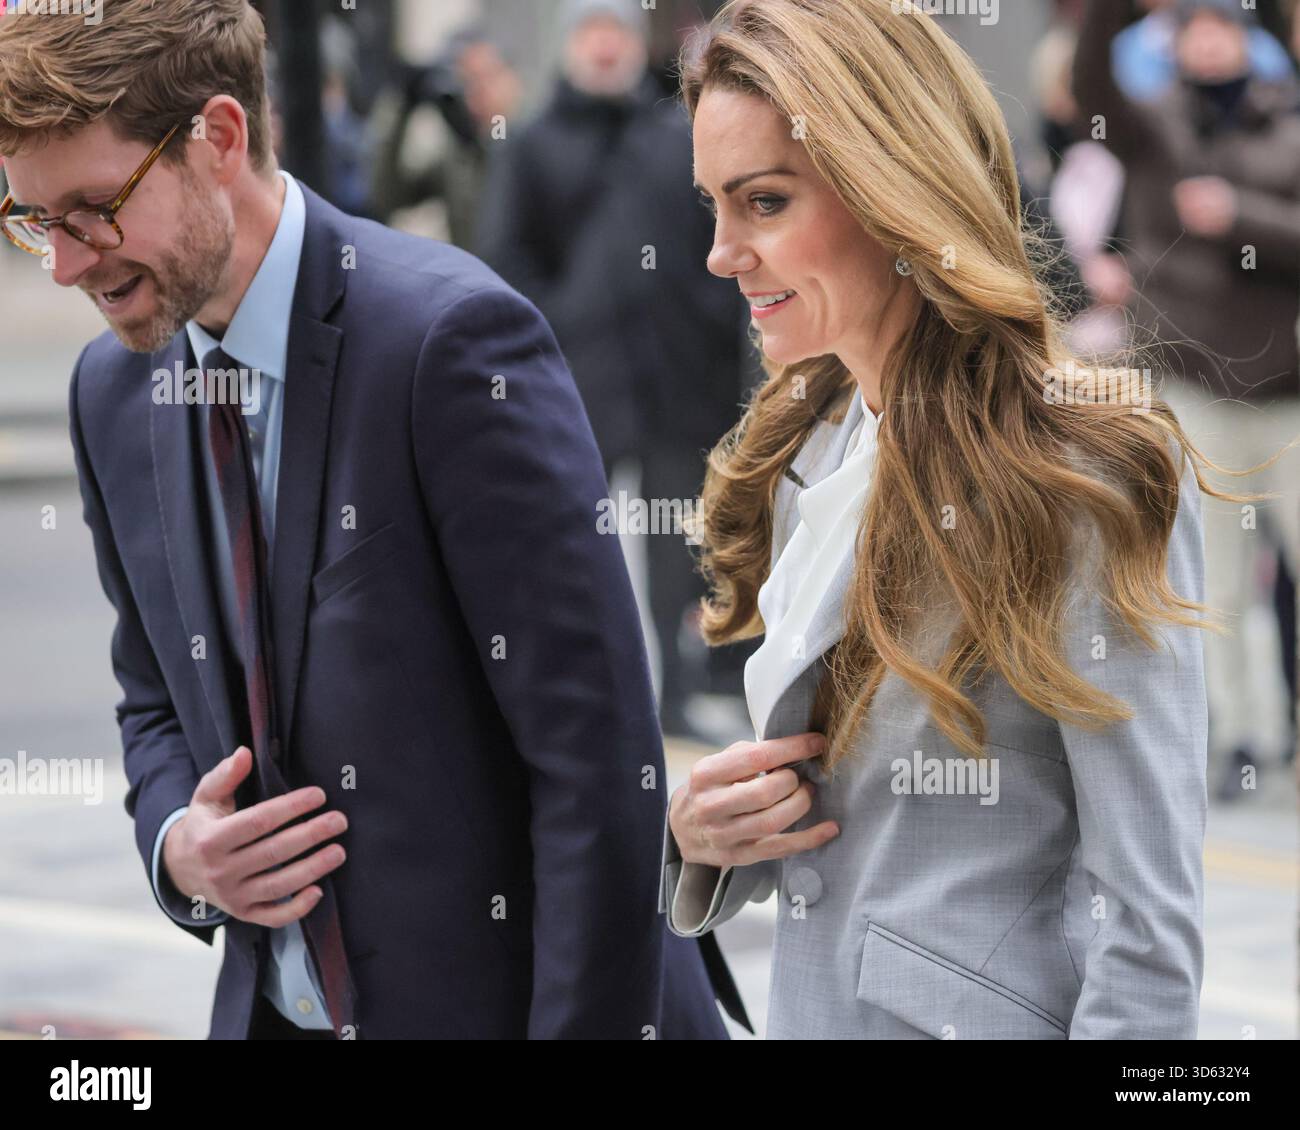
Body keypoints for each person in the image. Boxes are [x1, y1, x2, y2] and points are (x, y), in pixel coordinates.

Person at [0, 0, 744, 1040]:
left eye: (91, 207)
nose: (66, 264)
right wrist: (180, 846)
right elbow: (153, 696)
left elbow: (598, 763)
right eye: (32, 220)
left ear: (218, 138)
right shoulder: (111, 393)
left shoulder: (450, 341)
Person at [660, 0, 1223, 1039]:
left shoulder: (1080, 457)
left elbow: (1145, 924)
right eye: (712, 206)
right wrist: (701, 832)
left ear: (892, 188)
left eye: (765, 202)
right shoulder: (807, 437)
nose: (720, 251)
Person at [479, 0, 752, 741]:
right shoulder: (532, 145)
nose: (604, 47)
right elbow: (505, 265)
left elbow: (720, 249)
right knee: (572, 547)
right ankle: (579, 695)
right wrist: (562, 329)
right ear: (570, 44)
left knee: (679, 551)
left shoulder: (675, 138)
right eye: (591, 32)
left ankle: (673, 689)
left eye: (616, 32)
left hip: (676, 387)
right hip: (576, 392)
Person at [1073, 0, 1300, 798]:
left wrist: (1242, 218)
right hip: (1194, 387)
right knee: (1217, 583)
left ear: (1248, 39)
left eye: (1223, 27)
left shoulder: (1289, 123)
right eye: (1192, 27)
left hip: (1284, 395)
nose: (1207, 41)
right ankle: (1238, 737)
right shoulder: (1152, 127)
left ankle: (1281, 732)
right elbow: (1088, 85)